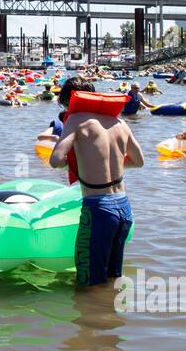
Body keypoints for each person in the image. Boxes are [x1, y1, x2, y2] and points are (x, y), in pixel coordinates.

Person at [48, 78, 144, 287]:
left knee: (88, 281)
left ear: (69, 101)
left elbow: (55, 161)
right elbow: (139, 161)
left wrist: (73, 161)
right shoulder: (119, 122)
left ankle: (91, 318)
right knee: (112, 279)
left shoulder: (76, 120)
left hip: (99, 209)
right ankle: (110, 315)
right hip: (124, 208)